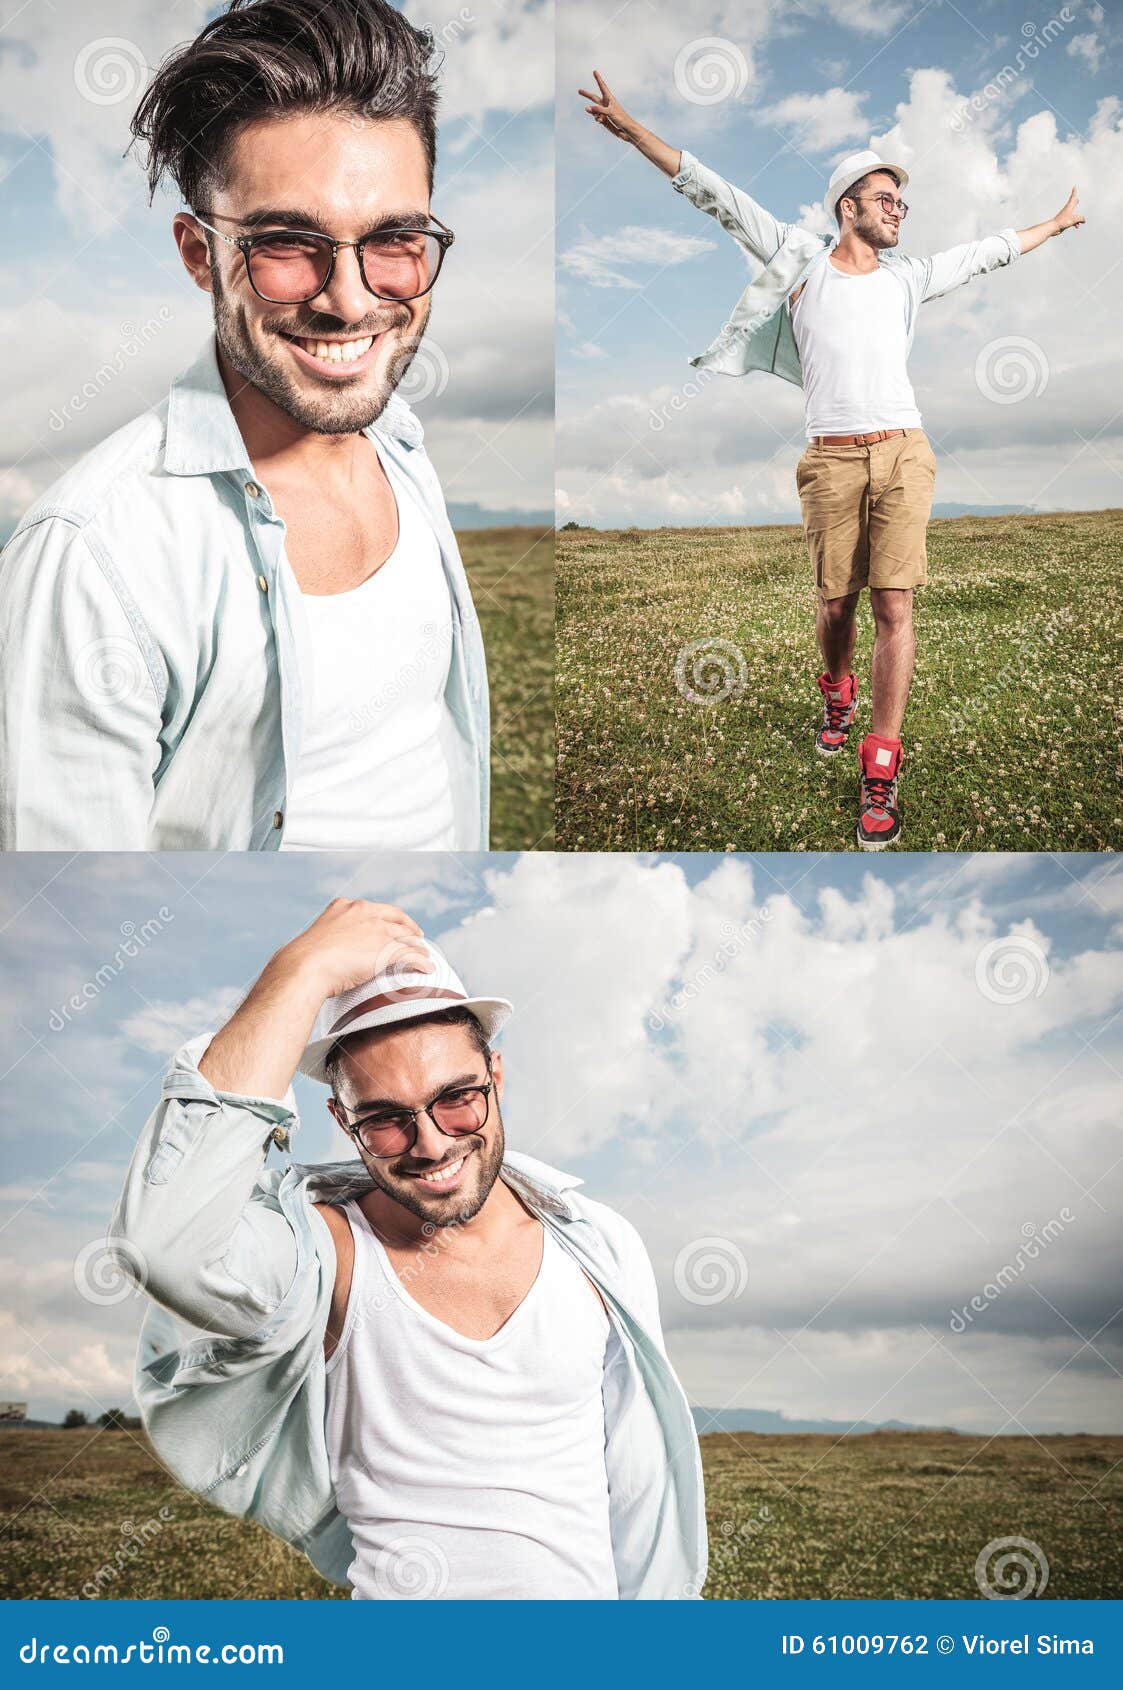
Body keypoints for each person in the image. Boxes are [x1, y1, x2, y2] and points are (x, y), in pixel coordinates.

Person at [109, 898, 707, 1600]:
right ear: (343, 1123)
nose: (430, 1143)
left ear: (496, 1077)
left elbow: (637, 1487)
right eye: (386, 1120)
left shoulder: (598, 1246)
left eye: (457, 1098)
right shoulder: (327, 1256)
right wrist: (300, 972)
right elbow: (165, 1247)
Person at [0, 0, 488, 852]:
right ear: (201, 255)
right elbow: (60, 896)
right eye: (286, 244)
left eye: (393, 239)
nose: (350, 302)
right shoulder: (90, 557)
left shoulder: (403, 446)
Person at [580, 71, 1084, 849]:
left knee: (894, 606)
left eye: (901, 202)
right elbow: (713, 194)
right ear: (847, 206)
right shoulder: (799, 260)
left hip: (904, 452)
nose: (898, 210)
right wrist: (634, 131)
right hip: (831, 461)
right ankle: (836, 692)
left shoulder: (908, 278)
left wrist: (1053, 223)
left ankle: (879, 766)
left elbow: (986, 253)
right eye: (885, 199)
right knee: (836, 606)